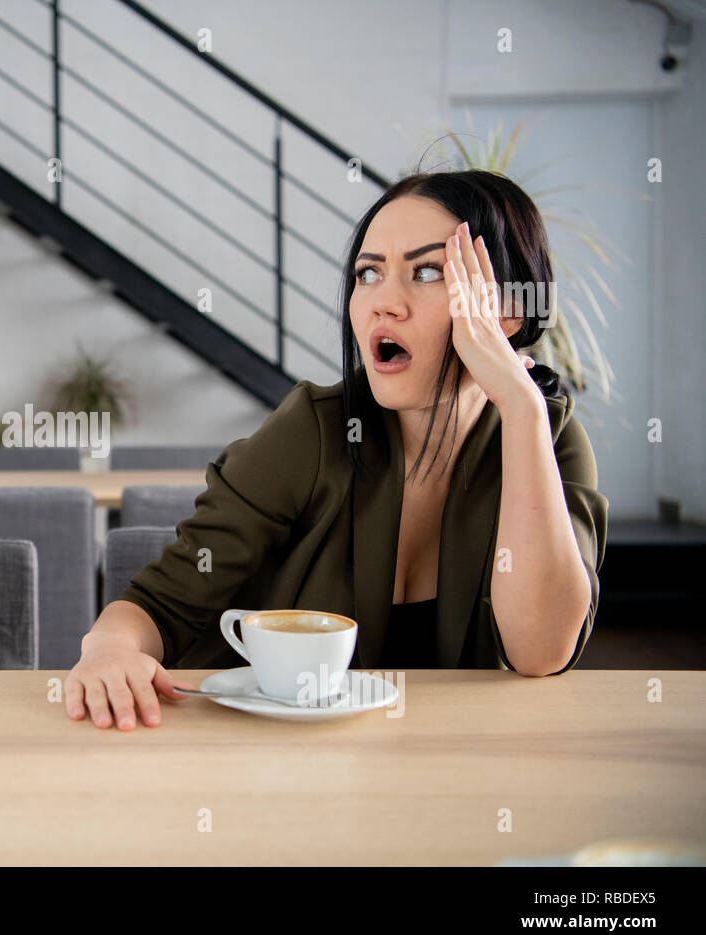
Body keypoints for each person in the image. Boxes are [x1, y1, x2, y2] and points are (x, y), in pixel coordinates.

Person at [66, 169, 609, 731]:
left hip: (452, 775)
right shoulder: (314, 431)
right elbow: (160, 605)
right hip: (263, 763)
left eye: (426, 272)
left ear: (505, 312)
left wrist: (522, 411)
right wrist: (107, 649)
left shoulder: (549, 441)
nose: (383, 303)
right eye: (368, 274)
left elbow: (541, 652)